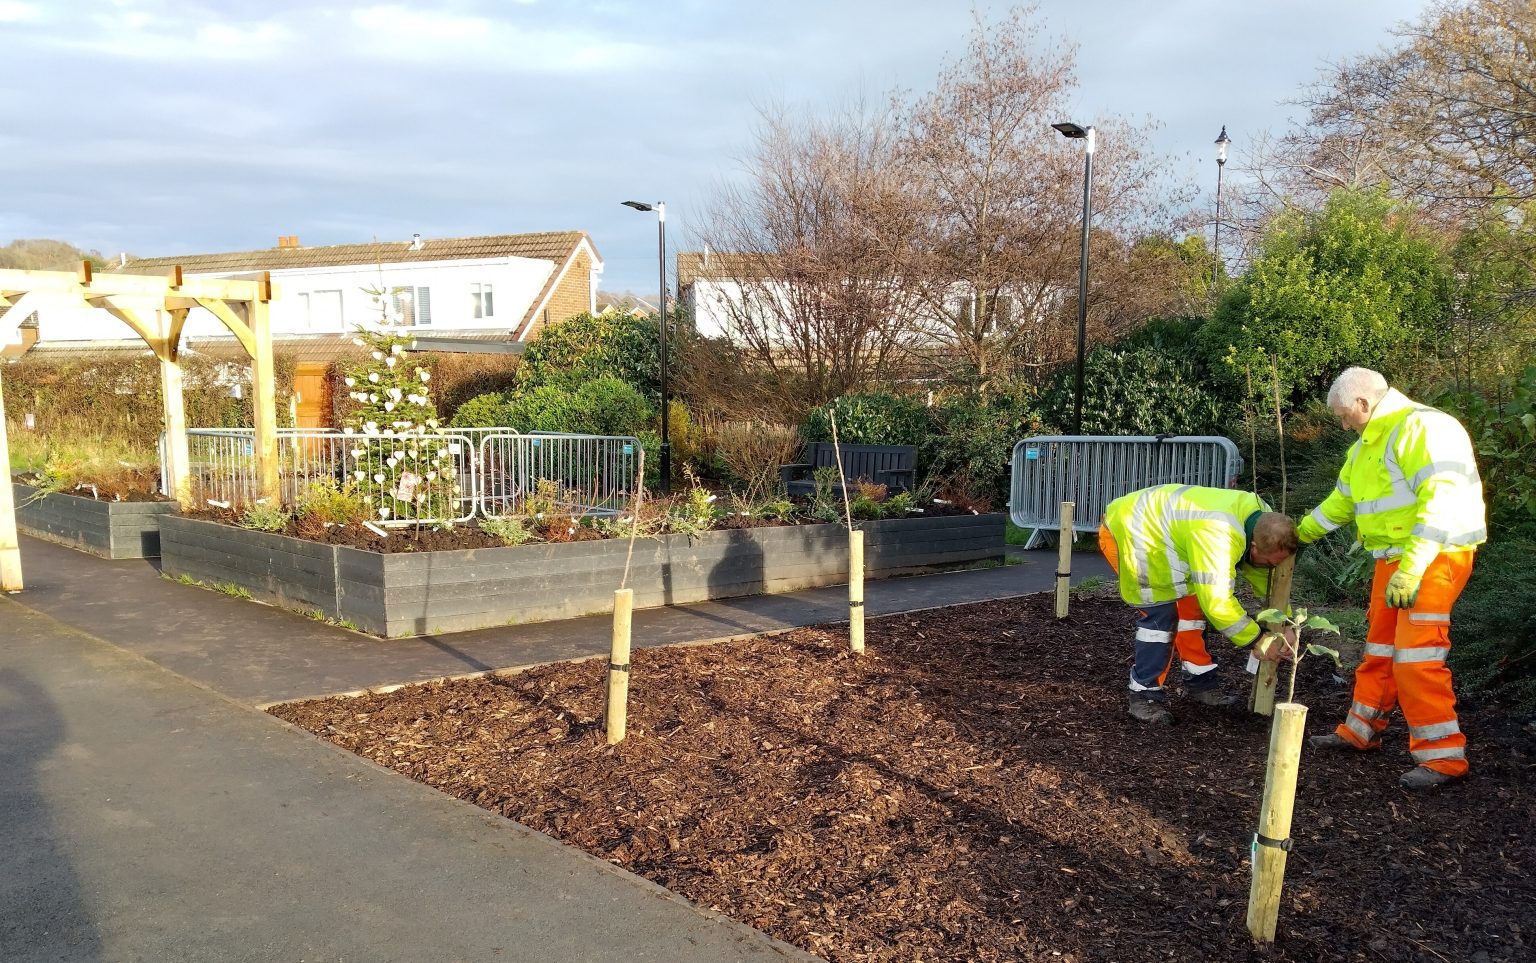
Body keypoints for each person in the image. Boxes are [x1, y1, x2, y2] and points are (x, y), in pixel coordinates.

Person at [1298, 367, 1486, 790]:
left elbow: (1441, 501)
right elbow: (1341, 502)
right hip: (1395, 561)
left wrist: (1414, 567)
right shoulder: (1367, 444)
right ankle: (1361, 731)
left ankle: (1443, 759)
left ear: (1363, 403)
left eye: (1345, 415)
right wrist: (1300, 533)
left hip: (1434, 556)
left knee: (1416, 656)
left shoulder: (1423, 427)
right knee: (1380, 646)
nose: (1343, 424)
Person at [1099, 483, 1299, 724]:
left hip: (1164, 532)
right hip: (1134, 532)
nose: (1271, 566)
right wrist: (1259, 640)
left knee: (1192, 612)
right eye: (1269, 561)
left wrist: (1285, 621)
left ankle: (1200, 683)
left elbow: (1260, 571)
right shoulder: (1218, 536)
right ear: (1254, 546)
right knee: (1161, 618)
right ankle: (1144, 696)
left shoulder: (1262, 519)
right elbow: (1218, 604)